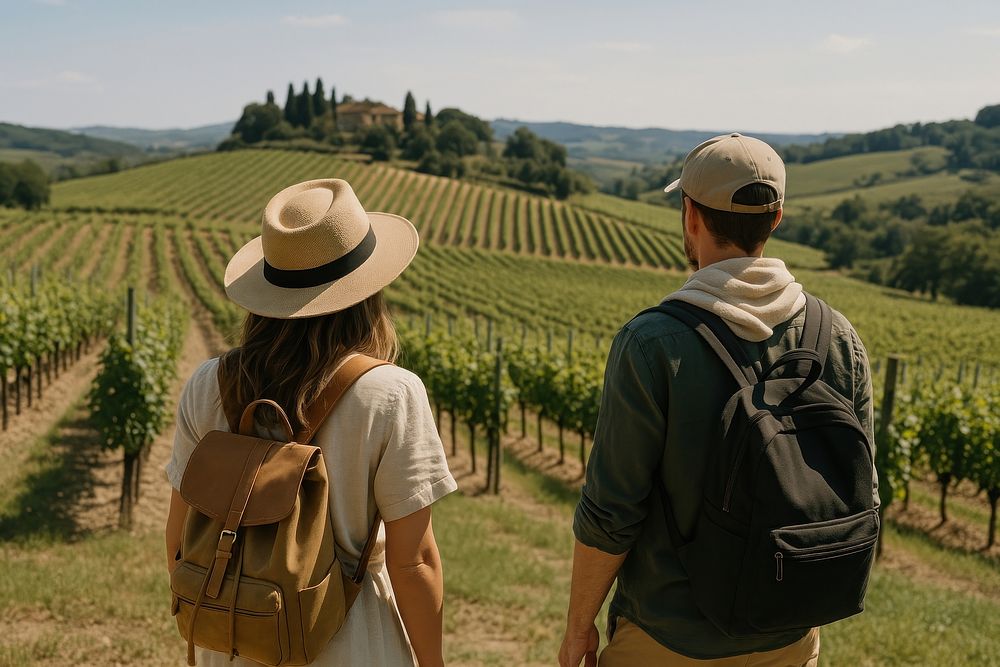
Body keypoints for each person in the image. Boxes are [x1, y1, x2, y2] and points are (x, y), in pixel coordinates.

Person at [559, 134, 876, 666]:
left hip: (667, 642)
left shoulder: (651, 343)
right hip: (791, 641)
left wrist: (577, 629)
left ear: (690, 216)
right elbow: (861, 488)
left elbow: (611, 514)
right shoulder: (838, 336)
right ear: (776, 219)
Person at [164, 178, 457, 667]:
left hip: (236, 640)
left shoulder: (209, 383)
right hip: (350, 644)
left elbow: (178, 539)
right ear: (368, 291)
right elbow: (413, 562)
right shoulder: (391, 393)